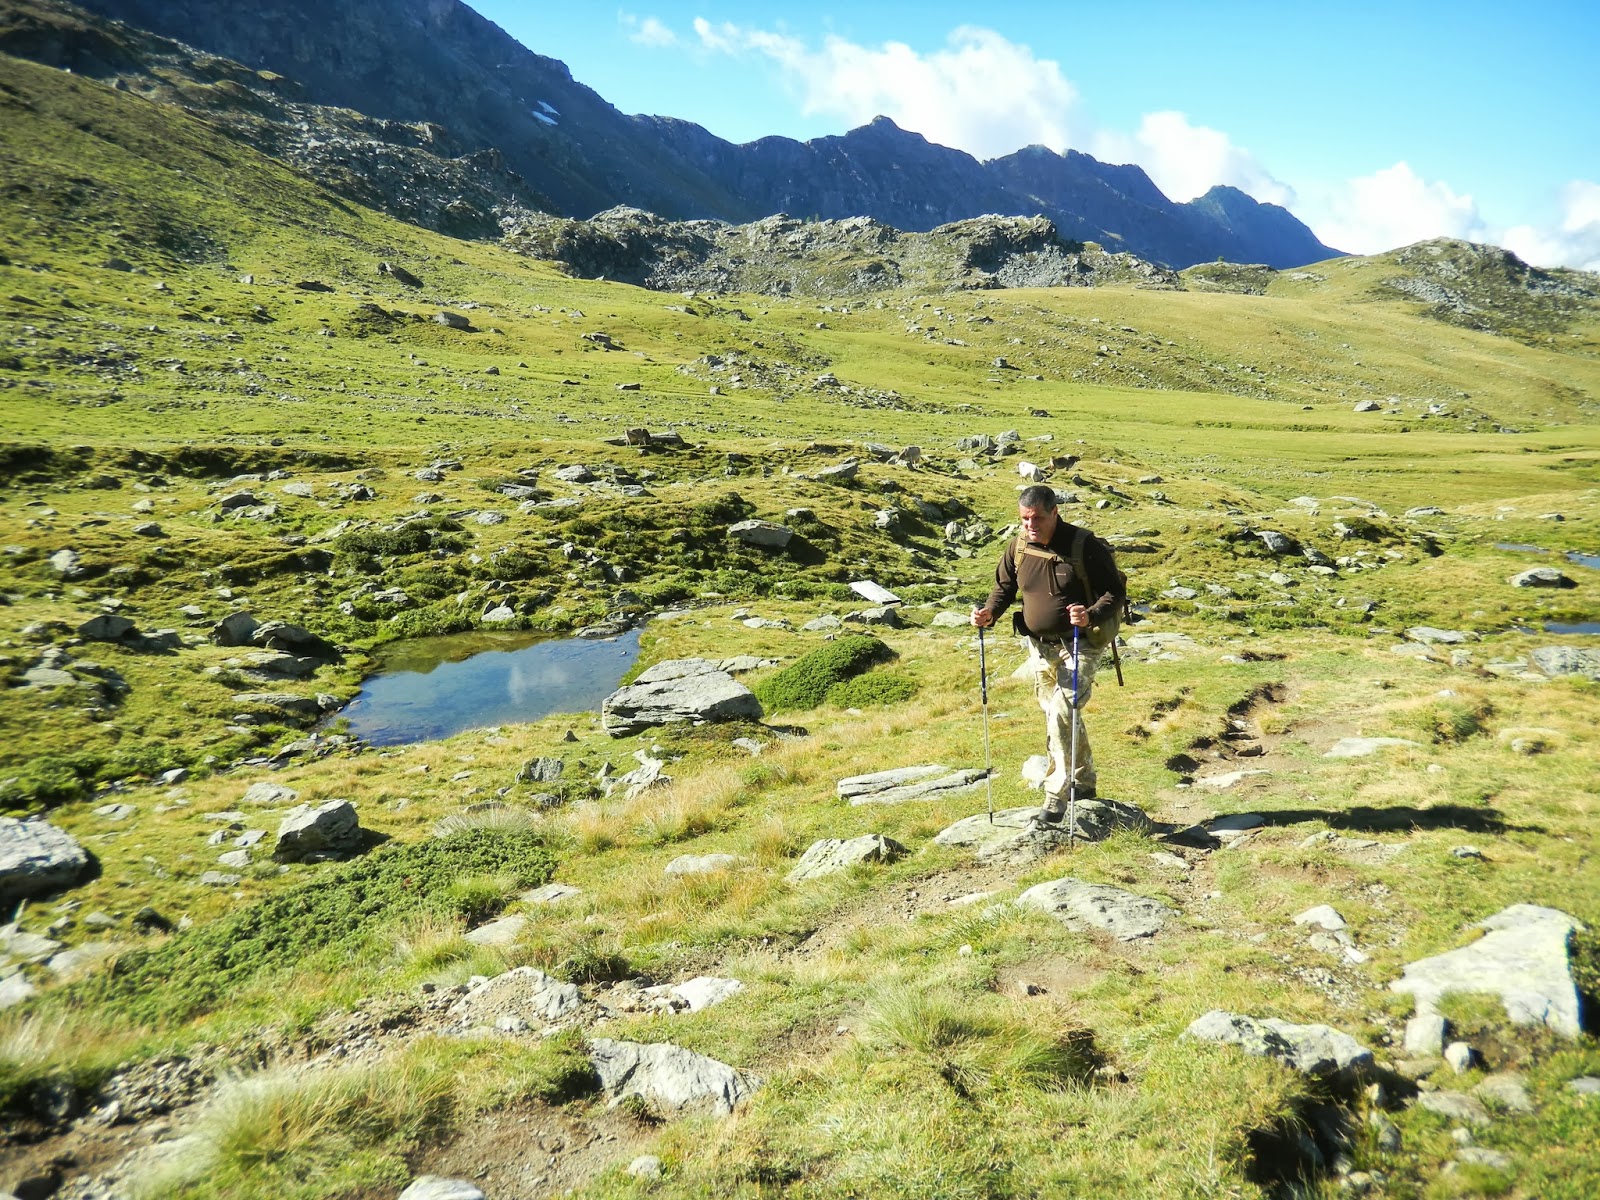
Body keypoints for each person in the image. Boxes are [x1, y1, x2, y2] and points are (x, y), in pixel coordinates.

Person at [970, 485, 1125, 824]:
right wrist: (989, 613)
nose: (1030, 526)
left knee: (1061, 711)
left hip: (1080, 642)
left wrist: (1091, 614)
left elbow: (1116, 591)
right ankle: (1084, 782)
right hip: (1039, 646)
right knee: (1060, 716)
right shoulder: (1019, 545)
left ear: (1055, 511)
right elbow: (1005, 586)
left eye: (1037, 518)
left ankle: (1056, 794)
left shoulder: (1085, 545)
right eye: (1024, 519)